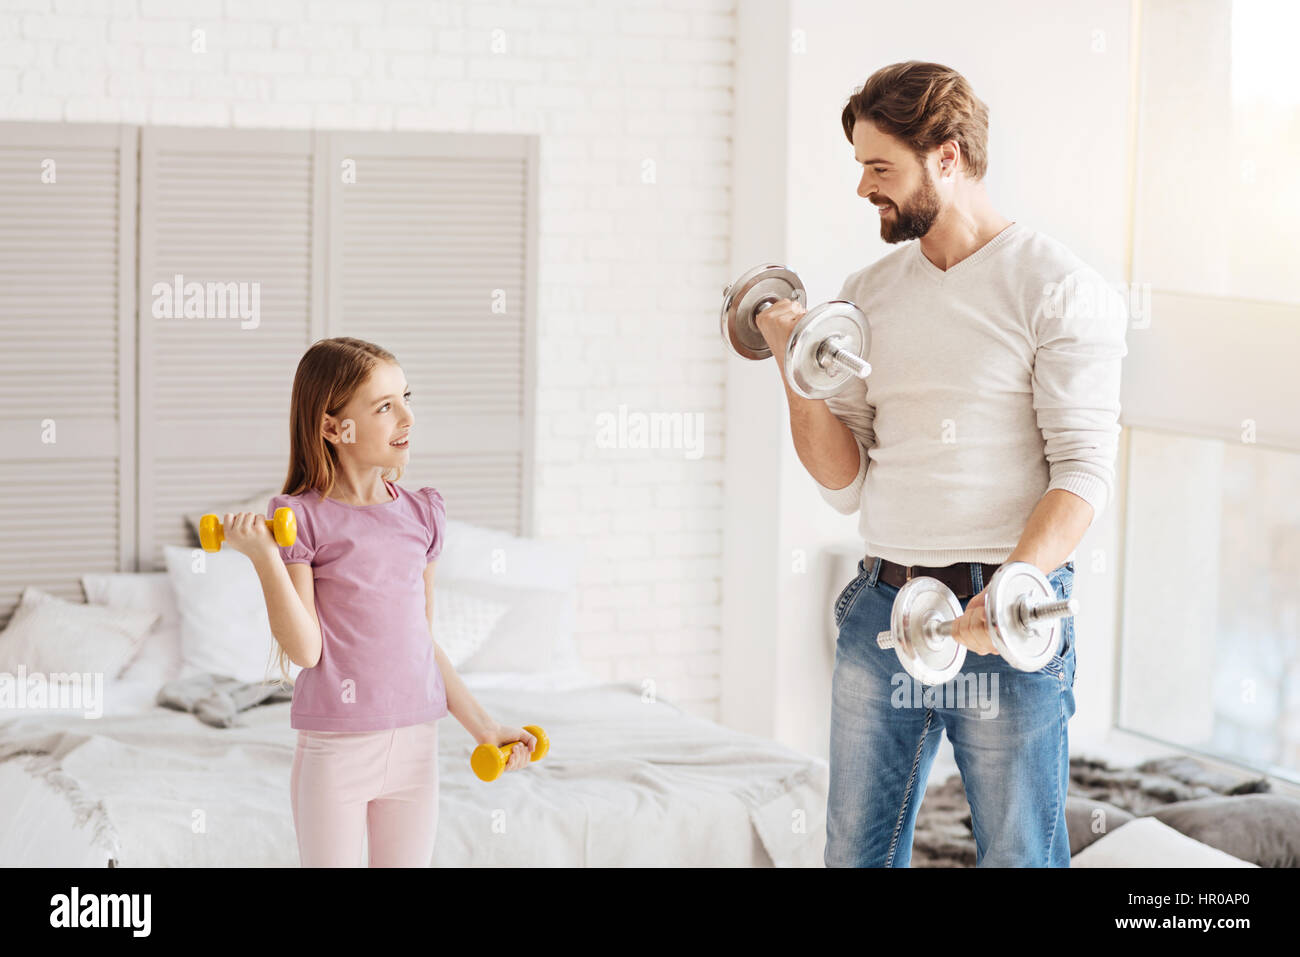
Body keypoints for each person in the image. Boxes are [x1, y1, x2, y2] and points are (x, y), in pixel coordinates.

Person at [756, 61, 1128, 866]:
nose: (863, 188)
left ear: (948, 157)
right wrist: (796, 365)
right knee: (854, 854)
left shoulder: (1058, 288)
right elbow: (843, 479)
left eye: (879, 167)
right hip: (881, 612)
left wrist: (1010, 590)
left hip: (1006, 616)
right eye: (860, 166)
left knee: (1018, 855)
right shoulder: (869, 293)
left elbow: (1083, 471)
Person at [220, 336, 536, 867]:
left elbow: (423, 642)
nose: (407, 417)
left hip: (416, 747)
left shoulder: (422, 513)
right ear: (332, 428)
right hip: (338, 752)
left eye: (406, 398)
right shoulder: (300, 518)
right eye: (385, 407)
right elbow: (305, 651)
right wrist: (263, 558)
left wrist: (484, 726)